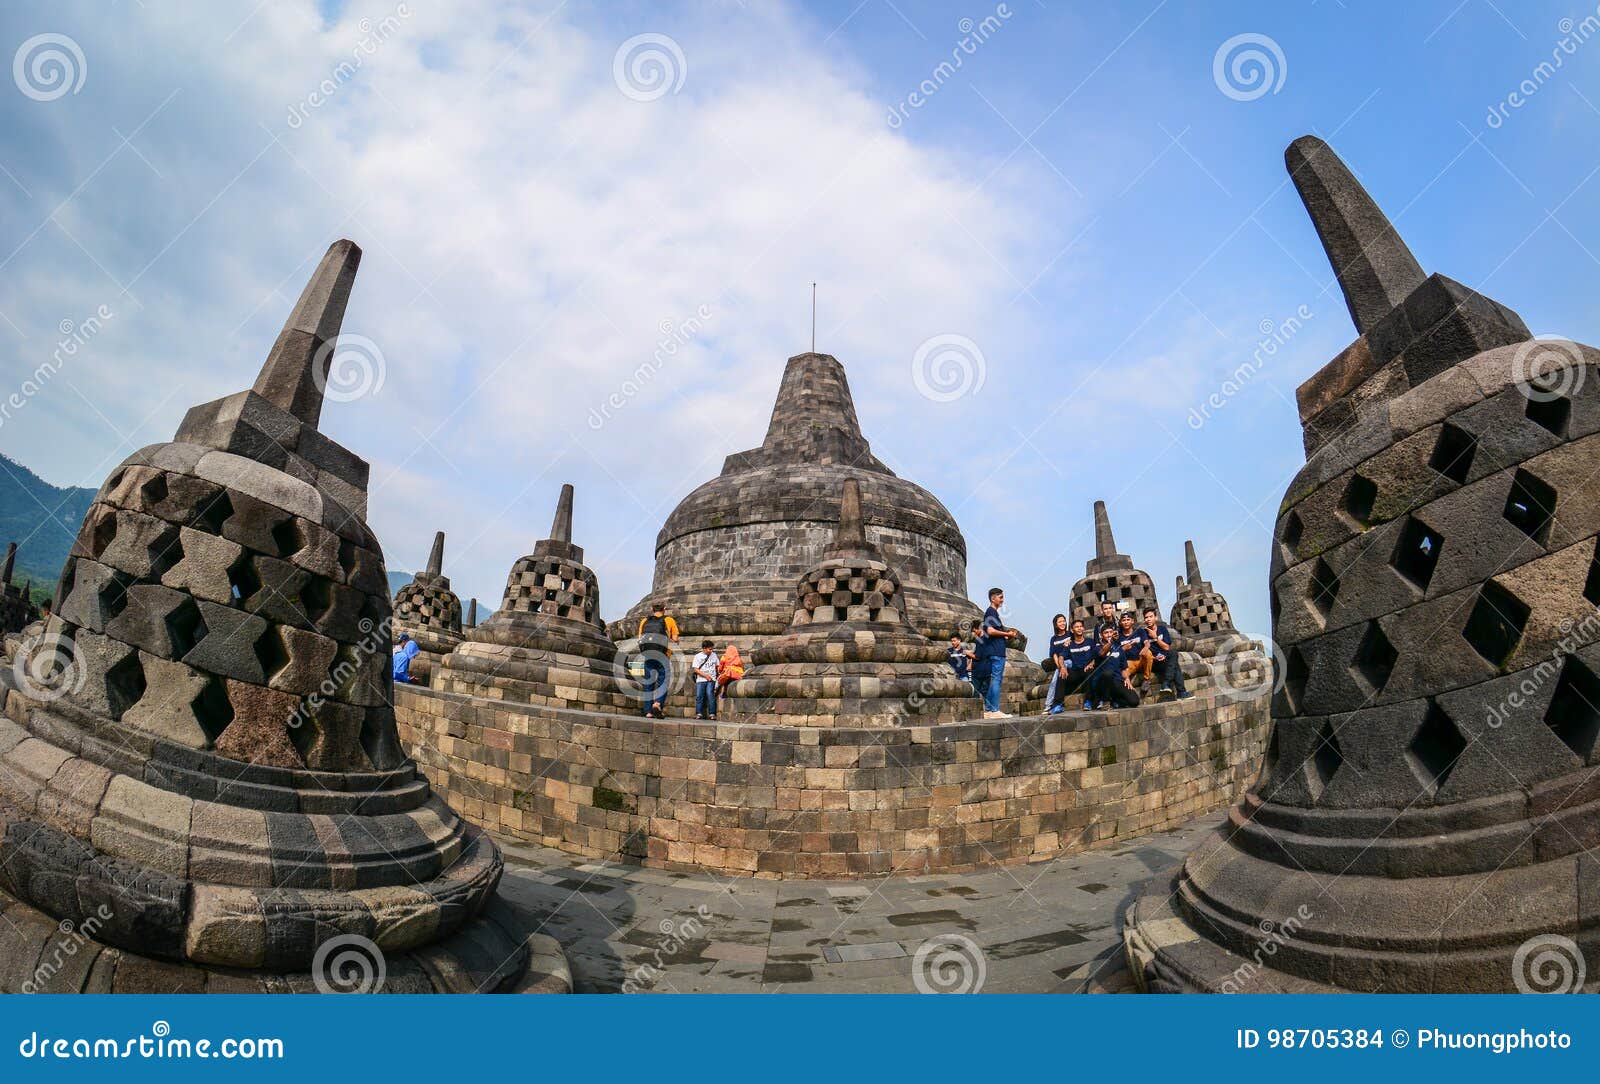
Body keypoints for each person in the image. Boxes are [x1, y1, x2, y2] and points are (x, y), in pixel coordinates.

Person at [973, 587, 1018, 718]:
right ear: (993, 598)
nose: (1002, 600)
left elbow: (991, 633)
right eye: (1000, 597)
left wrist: (1006, 636)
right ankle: (995, 709)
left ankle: (988, 710)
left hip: (994, 649)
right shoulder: (991, 612)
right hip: (997, 652)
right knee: (996, 680)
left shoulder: (992, 613)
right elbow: (991, 631)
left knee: (994, 680)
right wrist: (1006, 633)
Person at [636, 600, 680, 718]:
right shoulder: (669, 620)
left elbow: (640, 638)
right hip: (663, 655)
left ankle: (648, 711)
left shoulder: (644, 621)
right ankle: (657, 703)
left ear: (652, 609)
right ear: (664, 609)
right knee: (663, 682)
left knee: (648, 683)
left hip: (648, 655)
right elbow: (675, 639)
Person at [1139, 606, 1192, 700]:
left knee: (1173, 654)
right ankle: (1180, 691)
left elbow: (1166, 647)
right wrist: (1155, 658)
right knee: (1175, 664)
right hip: (1154, 662)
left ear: (1155, 618)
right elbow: (1144, 652)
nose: (1148, 619)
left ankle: (1169, 685)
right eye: (1146, 617)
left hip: (1165, 659)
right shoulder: (1143, 633)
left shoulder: (1162, 629)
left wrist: (1155, 638)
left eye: (1151, 617)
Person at [1085, 624, 1139, 709]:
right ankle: (1104, 701)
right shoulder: (1097, 648)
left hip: (1116, 680)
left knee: (1134, 701)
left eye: (1111, 632)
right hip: (1102, 682)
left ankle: (1115, 701)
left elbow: (1123, 668)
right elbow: (1102, 653)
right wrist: (1111, 641)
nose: (1109, 634)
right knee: (1108, 673)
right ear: (1101, 635)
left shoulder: (1119, 649)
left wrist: (1127, 679)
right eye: (1106, 633)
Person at [1050, 617, 1098, 713]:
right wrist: (1062, 667)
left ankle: (1088, 701)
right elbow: (1061, 657)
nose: (1079, 628)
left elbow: (1097, 655)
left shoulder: (1090, 642)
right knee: (1062, 674)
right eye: (1077, 627)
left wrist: (1092, 663)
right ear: (1072, 630)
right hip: (1076, 671)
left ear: (1083, 629)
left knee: (1090, 671)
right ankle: (1058, 705)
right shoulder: (1069, 644)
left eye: (1081, 626)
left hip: (1086, 670)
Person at [1043, 614, 1070, 713]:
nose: (1062, 623)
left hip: (1069, 661)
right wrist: (1059, 666)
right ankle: (1048, 705)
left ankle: (1050, 704)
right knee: (1055, 680)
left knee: (1065, 664)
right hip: (1060, 663)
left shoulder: (1070, 634)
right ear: (1055, 624)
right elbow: (1054, 654)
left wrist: (1062, 665)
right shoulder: (1054, 639)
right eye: (1060, 622)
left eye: (1064, 621)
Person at [691, 639, 720, 719]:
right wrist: (706, 676)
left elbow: (718, 666)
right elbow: (696, 669)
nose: (711, 651)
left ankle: (712, 714)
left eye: (712, 649)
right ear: (704, 648)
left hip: (711, 679)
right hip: (701, 679)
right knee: (699, 696)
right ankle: (699, 713)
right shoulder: (698, 656)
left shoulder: (714, 655)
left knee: (710, 695)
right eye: (709, 649)